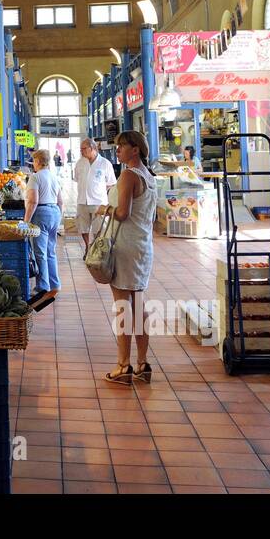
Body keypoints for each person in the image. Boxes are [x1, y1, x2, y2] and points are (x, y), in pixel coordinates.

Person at [104, 129, 158, 386]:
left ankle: (123, 364)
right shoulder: (150, 176)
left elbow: (123, 213)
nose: (118, 150)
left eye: (121, 146)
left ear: (135, 149)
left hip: (124, 246)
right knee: (139, 304)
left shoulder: (128, 175)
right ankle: (143, 363)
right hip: (142, 246)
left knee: (123, 307)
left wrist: (105, 209)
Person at [24, 149, 62, 302]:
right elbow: (61, 201)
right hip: (54, 212)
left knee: (40, 253)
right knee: (50, 252)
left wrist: (26, 222)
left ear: (38, 161)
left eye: (34, 161)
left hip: (41, 213)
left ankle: (42, 287)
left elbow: (33, 201)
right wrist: (59, 219)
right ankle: (55, 284)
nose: (33, 164)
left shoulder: (35, 177)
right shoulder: (54, 176)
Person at [73, 138, 116, 259]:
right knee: (83, 227)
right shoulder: (80, 163)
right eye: (80, 149)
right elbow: (77, 179)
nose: (81, 151)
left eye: (84, 149)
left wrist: (100, 191)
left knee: (99, 228)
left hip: (99, 202)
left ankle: (96, 247)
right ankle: (88, 247)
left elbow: (111, 183)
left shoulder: (105, 163)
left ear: (92, 149)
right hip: (82, 201)